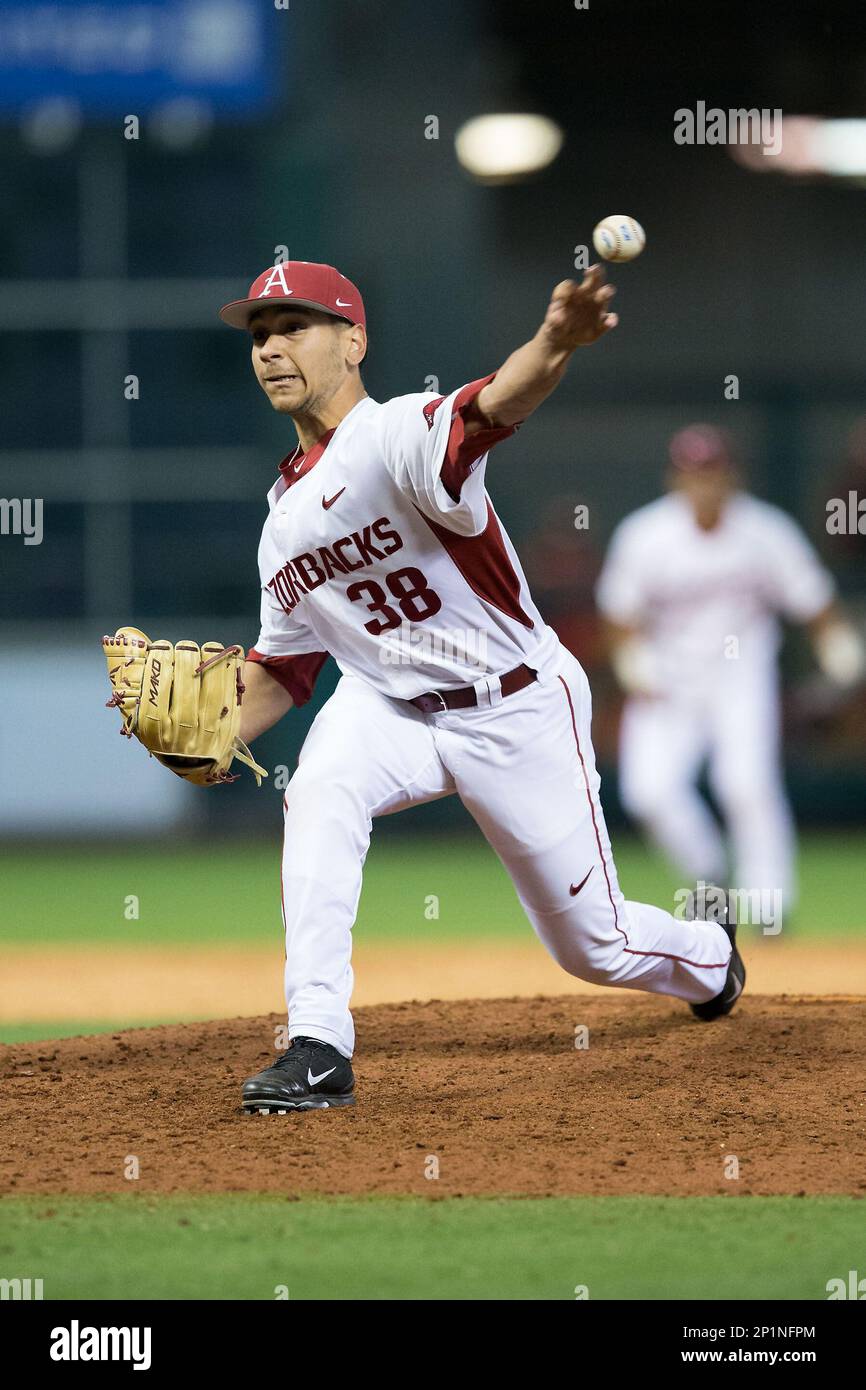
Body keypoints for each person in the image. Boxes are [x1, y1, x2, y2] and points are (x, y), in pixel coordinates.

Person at [217, 261, 744, 1114]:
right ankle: (317, 1043)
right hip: (386, 706)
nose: (272, 348)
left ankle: (710, 961)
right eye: (259, 334)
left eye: (295, 326)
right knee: (316, 791)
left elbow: (491, 408)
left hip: (515, 705)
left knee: (592, 948)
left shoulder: (395, 436)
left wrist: (553, 343)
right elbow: (284, 670)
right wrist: (208, 732)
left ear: (353, 341)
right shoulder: (281, 520)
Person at [596, 424, 865, 932]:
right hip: (668, 678)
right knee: (648, 791)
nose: (704, 483)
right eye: (694, 473)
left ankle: (769, 906)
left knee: (745, 784)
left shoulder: (765, 531)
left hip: (741, 675)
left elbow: (813, 599)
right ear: (675, 479)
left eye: (713, 471)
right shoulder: (645, 533)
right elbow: (619, 615)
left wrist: (836, 645)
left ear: (731, 476)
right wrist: (633, 663)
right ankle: (711, 876)